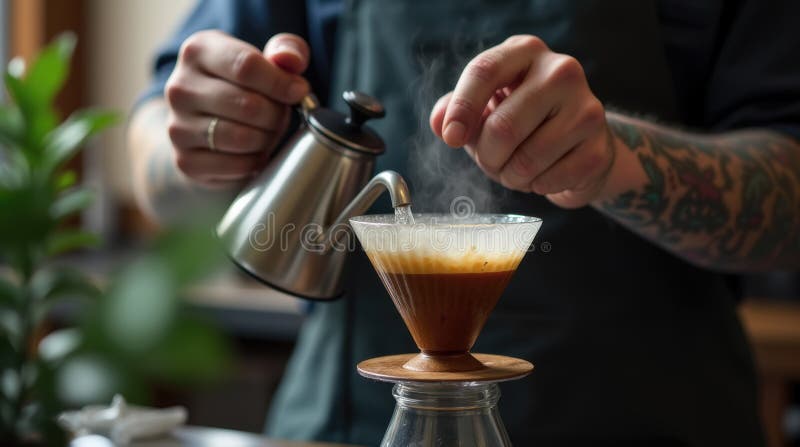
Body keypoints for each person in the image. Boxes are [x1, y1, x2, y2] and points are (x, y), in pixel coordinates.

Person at [128, 1, 800, 445]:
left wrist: (616, 162)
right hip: (348, 421)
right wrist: (201, 140)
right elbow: (155, 149)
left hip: (644, 419)